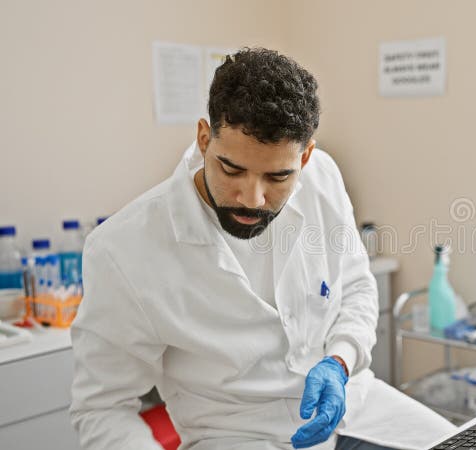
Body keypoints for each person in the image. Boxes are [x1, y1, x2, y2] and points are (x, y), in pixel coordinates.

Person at [69, 48, 454, 450]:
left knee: (467, 443)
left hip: (355, 405)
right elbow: (101, 409)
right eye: (232, 170)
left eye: (277, 176)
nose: (252, 198)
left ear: (305, 157)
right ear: (204, 138)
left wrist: (340, 361)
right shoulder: (124, 249)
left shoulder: (323, 177)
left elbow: (356, 287)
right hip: (237, 435)